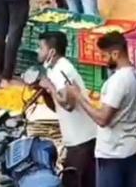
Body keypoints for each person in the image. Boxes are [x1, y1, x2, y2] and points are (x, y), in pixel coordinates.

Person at [65, 31, 136, 187]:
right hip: (131, 148)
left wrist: (78, 96)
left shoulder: (118, 81)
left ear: (115, 53)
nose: (103, 61)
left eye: (104, 56)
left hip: (112, 153)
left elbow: (103, 119)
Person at [35, 32, 97, 187]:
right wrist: (46, 92)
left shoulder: (64, 70)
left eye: (40, 48)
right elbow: (57, 107)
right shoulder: (52, 69)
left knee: (75, 181)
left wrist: (49, 87)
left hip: (82, 139)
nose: (38, 51)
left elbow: (68, 105)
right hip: (73, 138)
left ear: (52, 52)